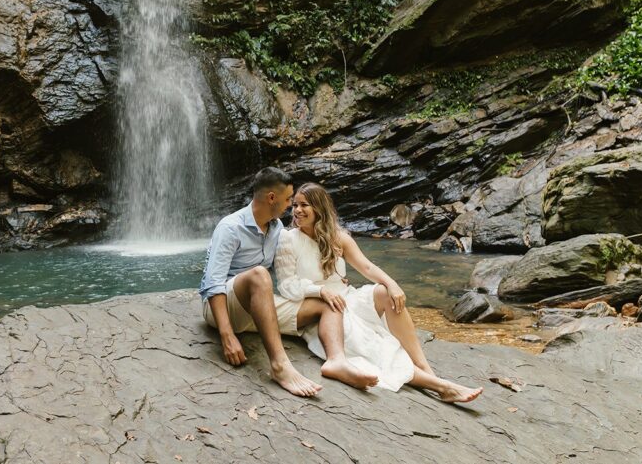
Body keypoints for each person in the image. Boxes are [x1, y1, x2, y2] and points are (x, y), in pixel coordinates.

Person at [275, 182, 483, 403]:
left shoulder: (338, 237)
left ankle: (423, 365)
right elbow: (287, 286)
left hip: (347, 296)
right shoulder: (288, 239)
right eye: (295, 205)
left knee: (385, 293)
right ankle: (442, 387)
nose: (297, 211)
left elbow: (366, 268)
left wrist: (393, 284)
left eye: (304, 205)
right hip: (322, 307)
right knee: (374, 345)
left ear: (319, 207)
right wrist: (320, 291)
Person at [199, 167, 379, 397]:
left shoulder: (276, 230)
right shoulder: (230, 227)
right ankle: (280, 366)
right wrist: (227, 335)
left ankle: (337, 361)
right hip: (223, 308)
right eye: (287, 201)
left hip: (255, 305)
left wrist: (330, 281)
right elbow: (212, 283)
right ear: (271, 198)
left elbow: (292, 267)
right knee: (260, 275)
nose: (290, 208)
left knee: (329, 302)